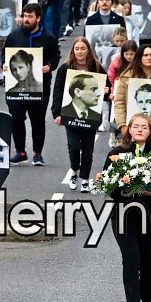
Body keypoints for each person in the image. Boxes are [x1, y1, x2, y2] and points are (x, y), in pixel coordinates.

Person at [103, 114, 151, 302]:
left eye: (144, 127)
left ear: (150, 132)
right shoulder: (116, 154)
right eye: (136, 126)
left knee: (147, 261)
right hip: (124, 215)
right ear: (129, 130)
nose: (140, 130)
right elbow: (107, 183)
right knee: (131, 259)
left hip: (149, 216)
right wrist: (121, 193)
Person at [5, 3, 60, 166]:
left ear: (38, 18)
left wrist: (49, 66)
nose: (26, 19)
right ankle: (20, 152)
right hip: (16, 89)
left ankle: (37, 153)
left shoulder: (48, 38)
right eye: (24, 16)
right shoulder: (14, 36)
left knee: (38, 120)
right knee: (16, 117)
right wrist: (4, 64)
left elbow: (56, 55)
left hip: (40, 87)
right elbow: (4, 53)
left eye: (30, 16)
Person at [52, 39, 105, 191]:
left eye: (83, 48)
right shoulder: (65, 68)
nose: (80, 51)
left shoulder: (97, 67)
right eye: (77, 48)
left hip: (91, 117)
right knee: (74, 146)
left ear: (88, 50)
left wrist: (107, 91)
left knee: (88, 149)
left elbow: (106, 87)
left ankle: (85, 179)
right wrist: (57, 114)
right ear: (73, 50)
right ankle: (74, 170)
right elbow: (58, 92)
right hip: (70, 115)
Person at [113, 44, 151, 145]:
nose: (149, 58)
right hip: (132, 130)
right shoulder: (126, 77)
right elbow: (119, 103)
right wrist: (122, 125)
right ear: (139, 57)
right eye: (145, 55)